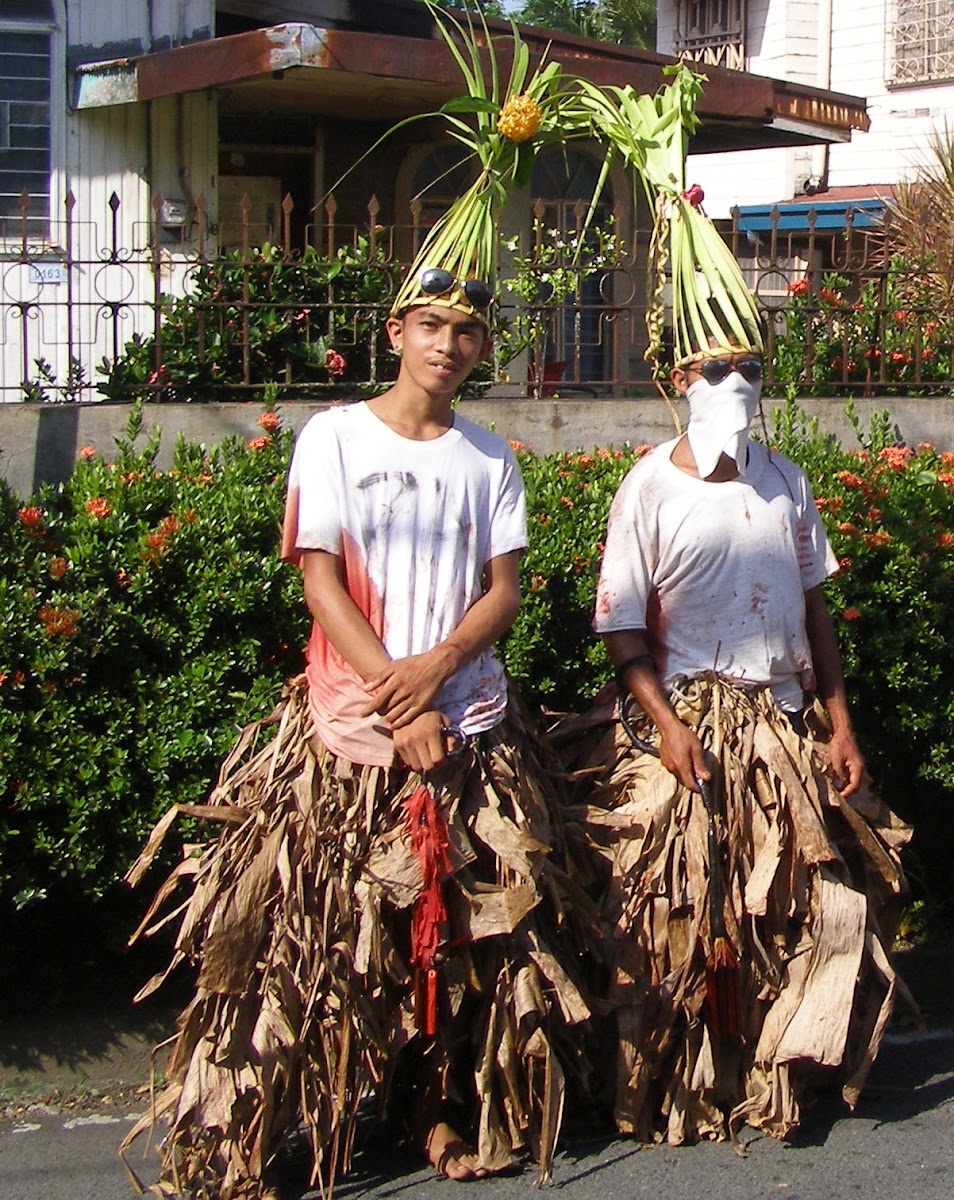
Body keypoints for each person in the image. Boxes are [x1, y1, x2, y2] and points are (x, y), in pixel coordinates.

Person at [121, 228, 600, 1199]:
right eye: (430, 324)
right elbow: (321, 582)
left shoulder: (489, 458)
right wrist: (400, 695)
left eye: (467, 330)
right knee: (315, 951)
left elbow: (503, 589)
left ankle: (433, 1107)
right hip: (350, 738)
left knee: (466, 942)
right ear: (394, 331)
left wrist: (439, 670)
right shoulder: (333, 438)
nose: (447, 344)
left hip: (468, 730)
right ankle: (247, 1146)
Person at [564, 338, 911, 1143]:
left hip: (783, 723)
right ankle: (678, 1078)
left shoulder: (787, 480)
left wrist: (841, 723)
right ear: (678, 382)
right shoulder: (647, 487)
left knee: (793, 903)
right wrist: (667, 725)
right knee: (679, 908)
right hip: (690, 723)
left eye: (751, 370)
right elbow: (620, 626)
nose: (737, 385)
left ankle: (778, 1067)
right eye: (716, 370)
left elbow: (814, 610)